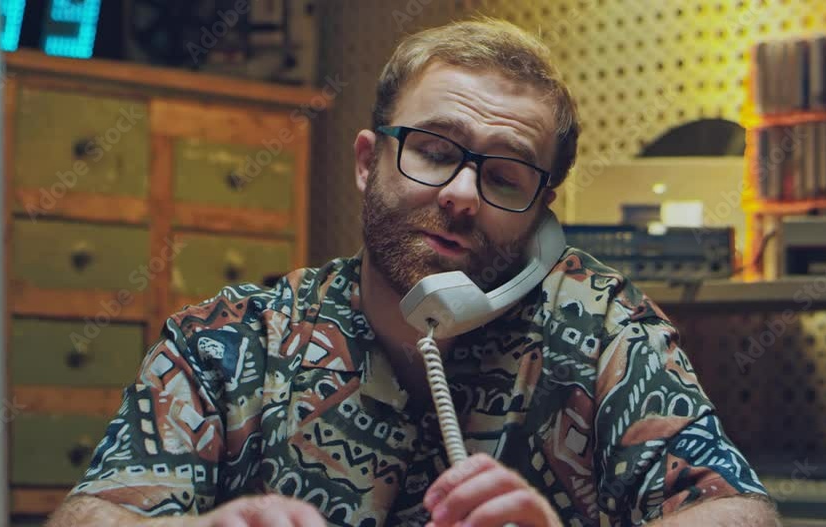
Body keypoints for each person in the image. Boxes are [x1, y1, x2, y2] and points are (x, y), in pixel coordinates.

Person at [48, 16, 778, 527]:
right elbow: (94, 511)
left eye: (505, 173)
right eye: (434, 149)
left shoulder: (604, 329)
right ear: (369, 162)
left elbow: (737, 511)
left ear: (542, 208)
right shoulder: (231, 340)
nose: (462, 194)